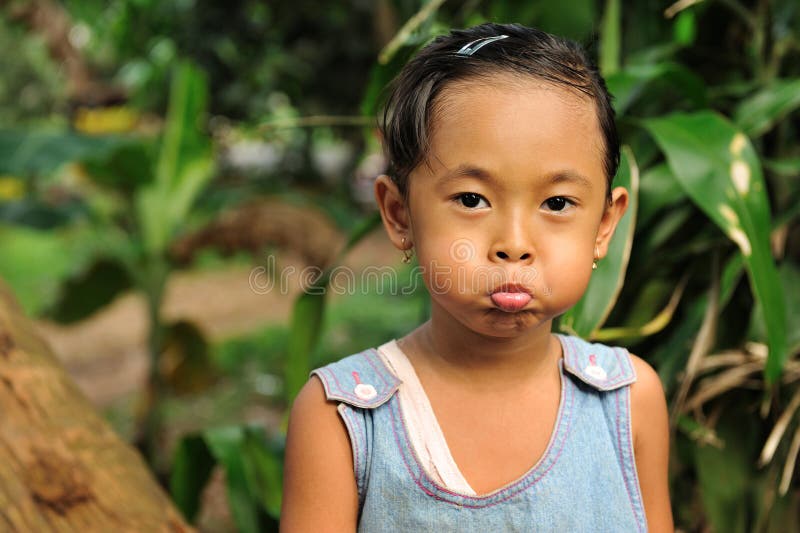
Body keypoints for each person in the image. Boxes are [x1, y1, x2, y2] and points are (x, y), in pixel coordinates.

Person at [280, 22, 673, 532]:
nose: (513, 243)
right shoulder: (343, 419)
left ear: (603, 226)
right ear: (400, 215)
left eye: (557, 203)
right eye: (471, 199)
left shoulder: (628, 403)